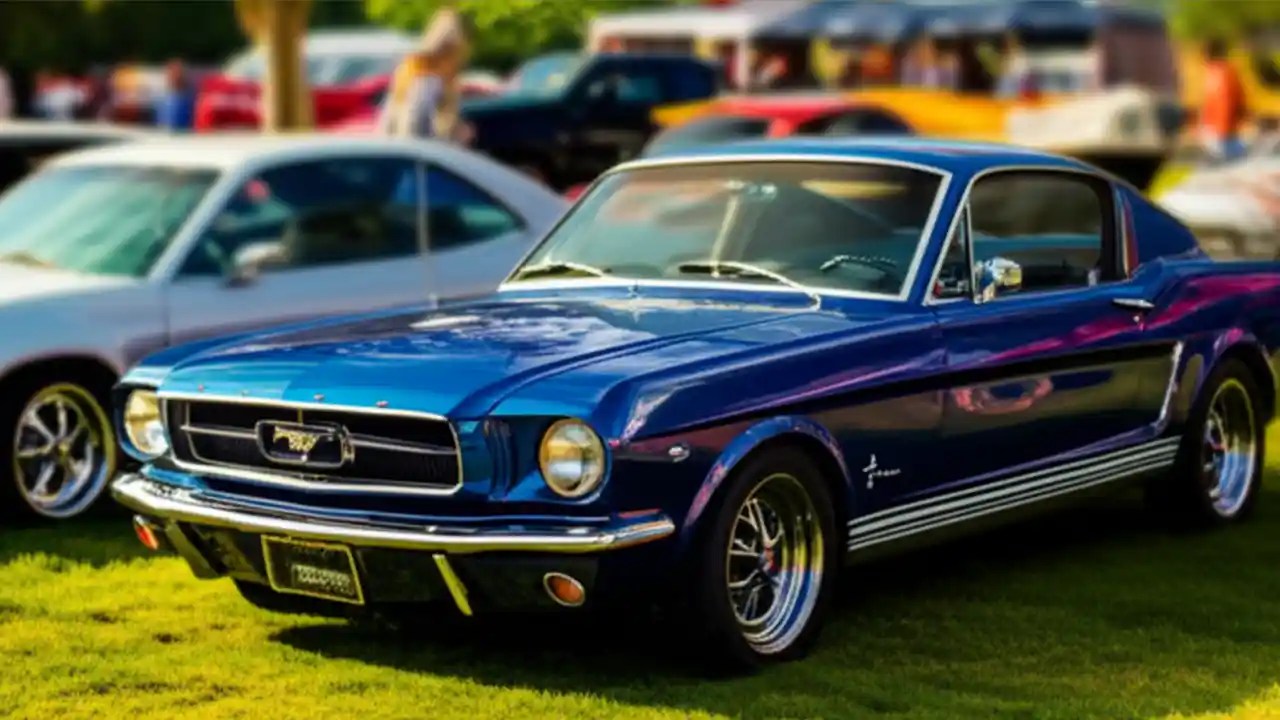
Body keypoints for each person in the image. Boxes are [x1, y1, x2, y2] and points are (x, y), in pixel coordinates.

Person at [377, 8, 473, 143]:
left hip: (395, 143)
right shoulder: (427, 77)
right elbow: (419, 123)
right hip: (413, 149)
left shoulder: (411, 66)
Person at [1199, 38, 1247, 163]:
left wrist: (1223, 128)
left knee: (1230, 165)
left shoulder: (1221, 73)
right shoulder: (1218, 72)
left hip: (1222, 132)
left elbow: (1227, 102)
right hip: (1219, 130)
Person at [154, 59, 195, 132]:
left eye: (179, 73)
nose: (176, 76)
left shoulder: (191, 98)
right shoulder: (161, 98)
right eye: (173, 73)